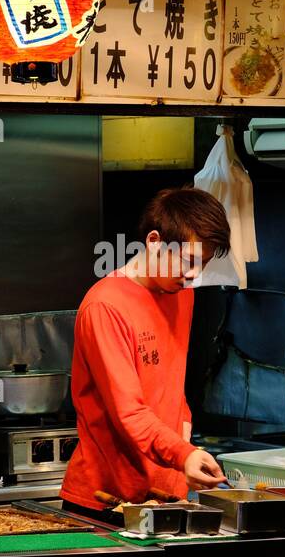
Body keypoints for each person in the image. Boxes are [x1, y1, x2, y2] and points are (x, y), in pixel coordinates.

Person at [60, 187, 230, 523]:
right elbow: (129, 412)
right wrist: (184, 454)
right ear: (154, 241)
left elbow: (170, 388)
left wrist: (184, 460)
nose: (195, 274)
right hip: (105, 499)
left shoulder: (181, 294)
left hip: (167, 494)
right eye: (189, 260)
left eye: (204, 264)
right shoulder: (105, 306)